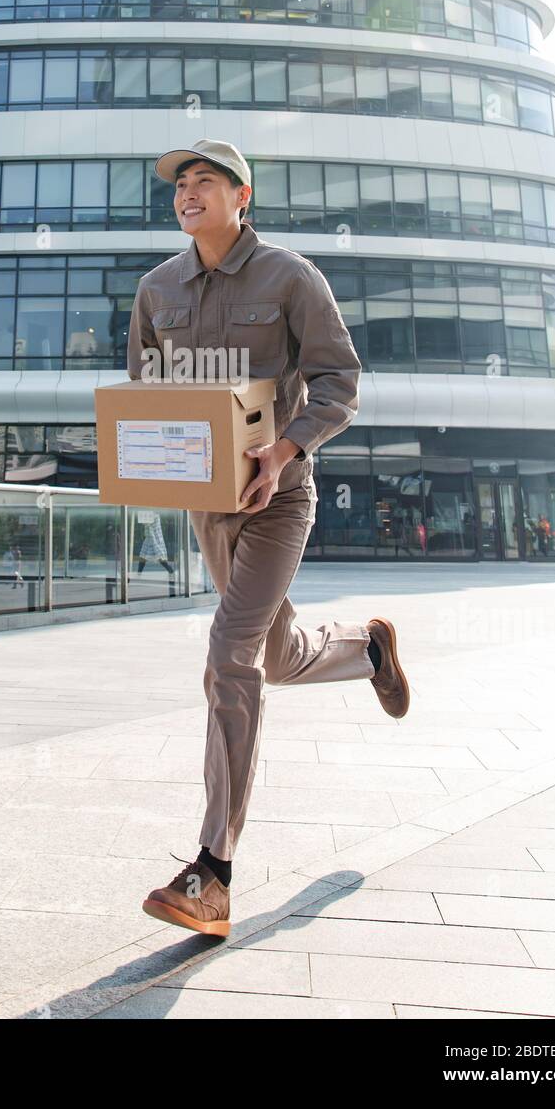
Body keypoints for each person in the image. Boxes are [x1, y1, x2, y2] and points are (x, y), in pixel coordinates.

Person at [127, 139, 411, 939]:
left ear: (241, 195)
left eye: (205, 181)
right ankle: (368, 648)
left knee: (228, 655)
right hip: (208, 508)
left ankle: (211, 871)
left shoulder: (290, 275)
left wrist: (284, 448)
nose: (189, 192)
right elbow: (146, 399)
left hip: (278, 499)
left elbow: (339, 381)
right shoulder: (156, 290)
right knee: (275, 658)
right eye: (181, 184)